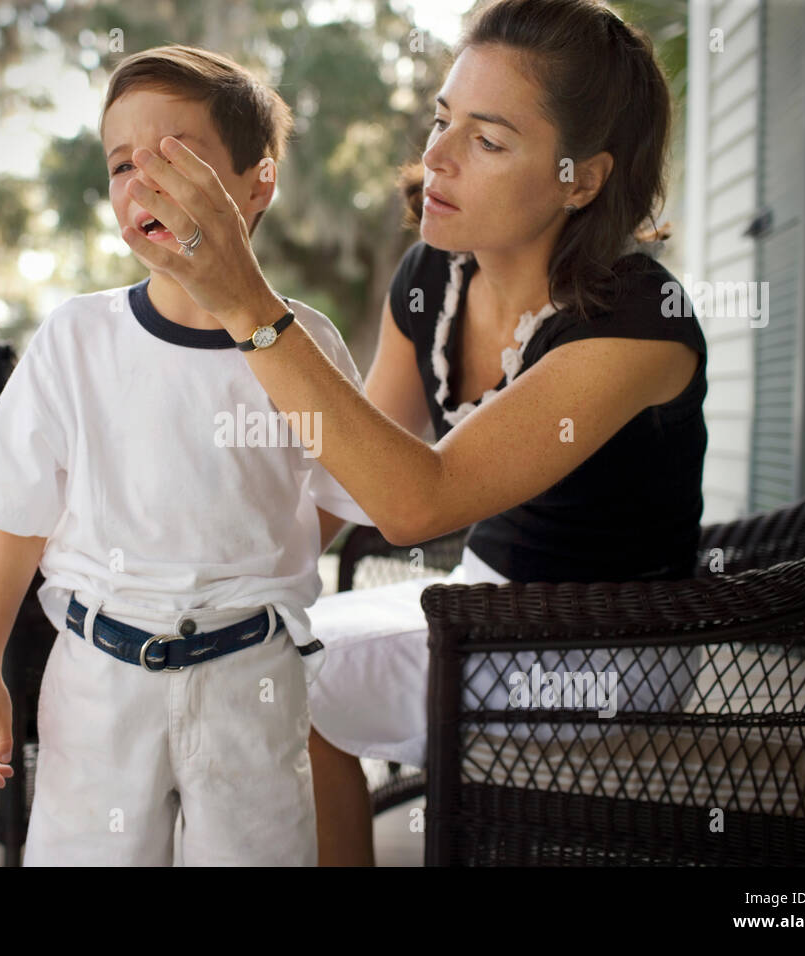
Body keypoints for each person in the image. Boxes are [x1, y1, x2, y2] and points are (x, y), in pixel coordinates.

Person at [115, 0, 709, 865]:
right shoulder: (435, 276)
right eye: (443, 121)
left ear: (582, 177)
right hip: (481, 599)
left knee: (267, 678)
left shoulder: (637, 319)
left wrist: (244, 300)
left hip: (608, 648)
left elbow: (412, 501)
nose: (435, 157)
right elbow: (351, 475)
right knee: (242, 643)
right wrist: (208, 576)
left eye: (489, 141)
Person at [0, 44, 373, 866]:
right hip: (97, 688)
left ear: (258, 184)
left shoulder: (302, 345)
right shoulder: (77, 338)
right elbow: (16, 518)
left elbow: (339, 490)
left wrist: (254, 557)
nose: (143, 181)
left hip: (250, 680)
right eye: (120, 165)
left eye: (174, 157)